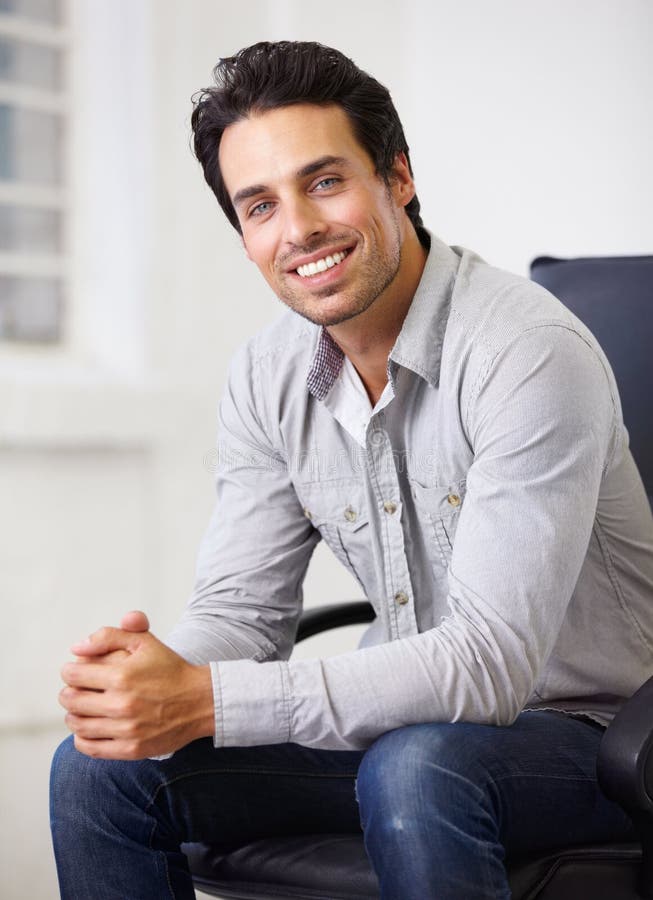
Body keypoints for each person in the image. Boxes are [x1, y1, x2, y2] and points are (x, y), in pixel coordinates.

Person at [50, 41, 653, 899]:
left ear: (396, 177)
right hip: (403, 736)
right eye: (259, 205)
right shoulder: (266, 376)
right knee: (98, 767)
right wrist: (156, 683)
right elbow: (242, 612)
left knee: (414, 768)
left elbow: (487, 664)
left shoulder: (526, 352)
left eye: (324, 181)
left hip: (595, 741)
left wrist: (209, 702)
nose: (297, 230)